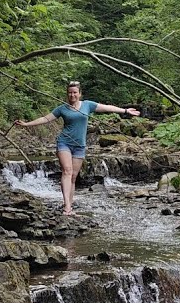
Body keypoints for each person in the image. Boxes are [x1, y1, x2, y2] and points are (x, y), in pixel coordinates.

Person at [13, 81, 140, 215]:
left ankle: (69, 204)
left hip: (80, 146)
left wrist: (125, 110)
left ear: (79, 94)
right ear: (67, 94)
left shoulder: (87, 105)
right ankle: (67, 207)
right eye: (70, 92)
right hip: (64, 143)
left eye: (75, 92)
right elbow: (46, 119)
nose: (72, 95)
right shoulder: (62, 108)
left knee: (73, 176)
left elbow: (107, 108)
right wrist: (26, 124)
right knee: (67, 171)